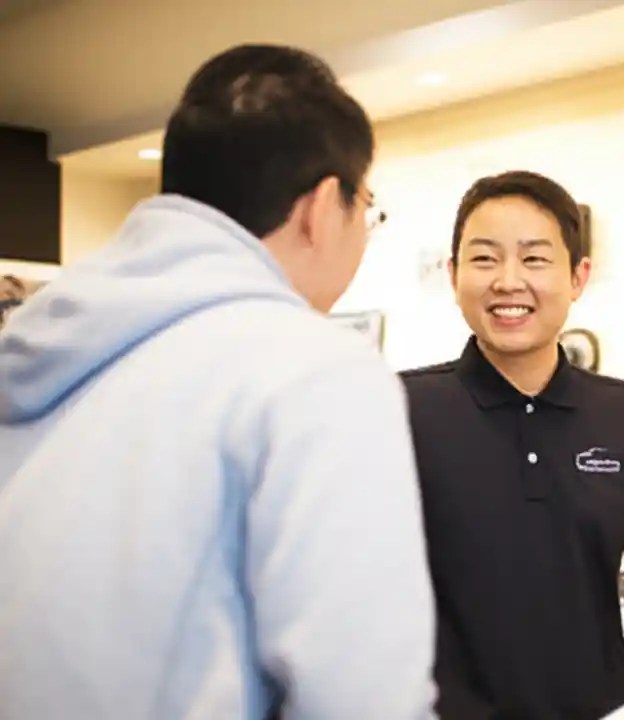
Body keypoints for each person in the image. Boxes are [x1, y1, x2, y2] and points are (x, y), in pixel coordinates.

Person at [0, 45, 438, 719]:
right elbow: (362, 695)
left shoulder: (44, 346)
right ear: (322, 208)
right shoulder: (314, 370)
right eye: (366, 209)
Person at [400, 170, 624, 719]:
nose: (508, 281)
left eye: (535, 259)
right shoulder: (399, 408)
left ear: (577, 277)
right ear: (453, 275)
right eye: (484, 258)